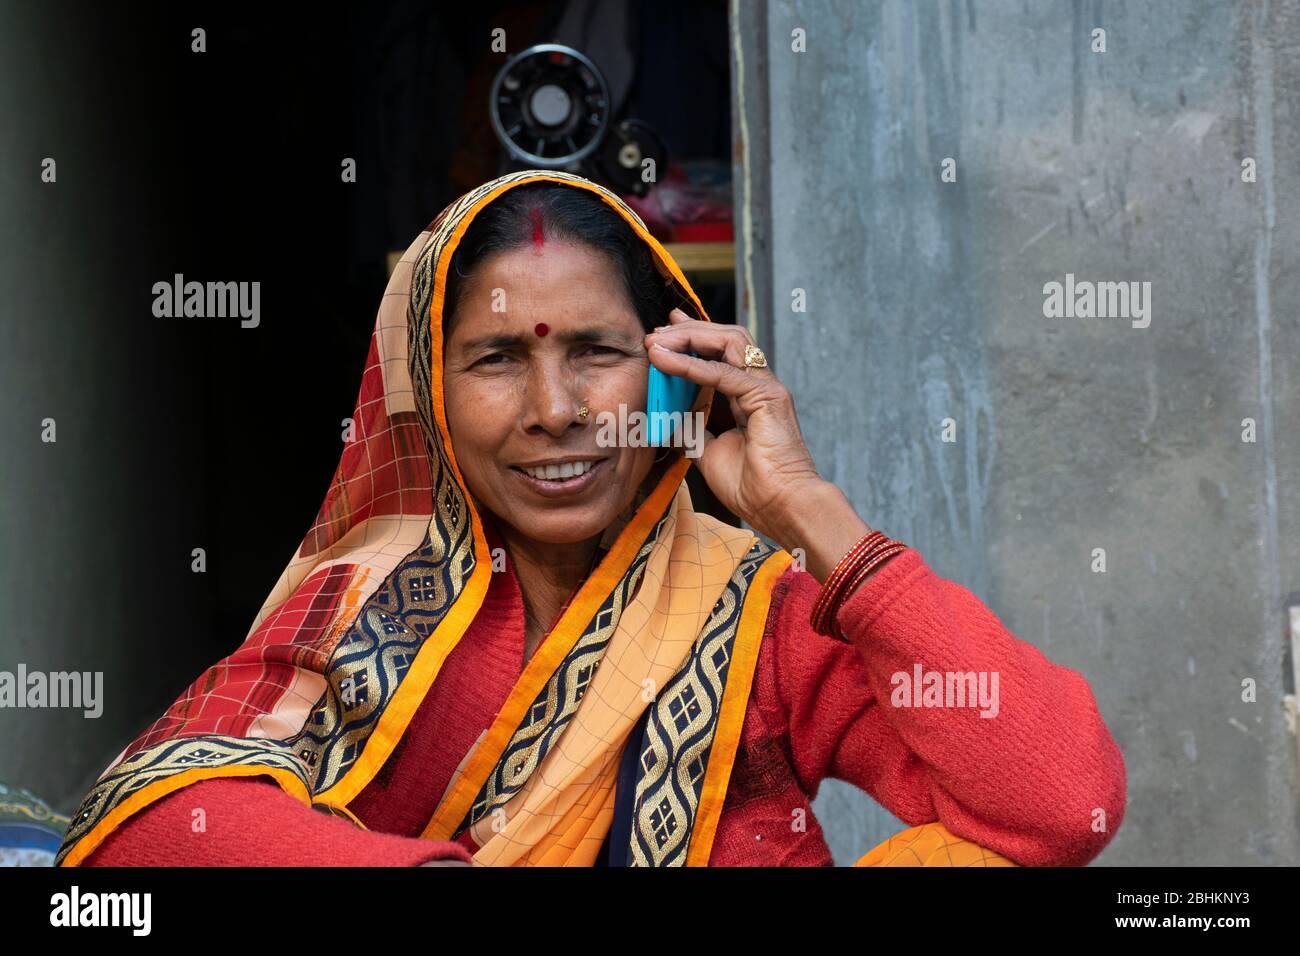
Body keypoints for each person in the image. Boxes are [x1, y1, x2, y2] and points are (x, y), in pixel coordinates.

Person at [57, 170, 1126, 868]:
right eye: (496, 358)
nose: (556, 410)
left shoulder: (761, 613)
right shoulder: (360, 610)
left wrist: (816, 518)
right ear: (427, 394)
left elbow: (1062, 802)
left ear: (671, 372)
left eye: (597, 353)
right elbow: (139, 831)